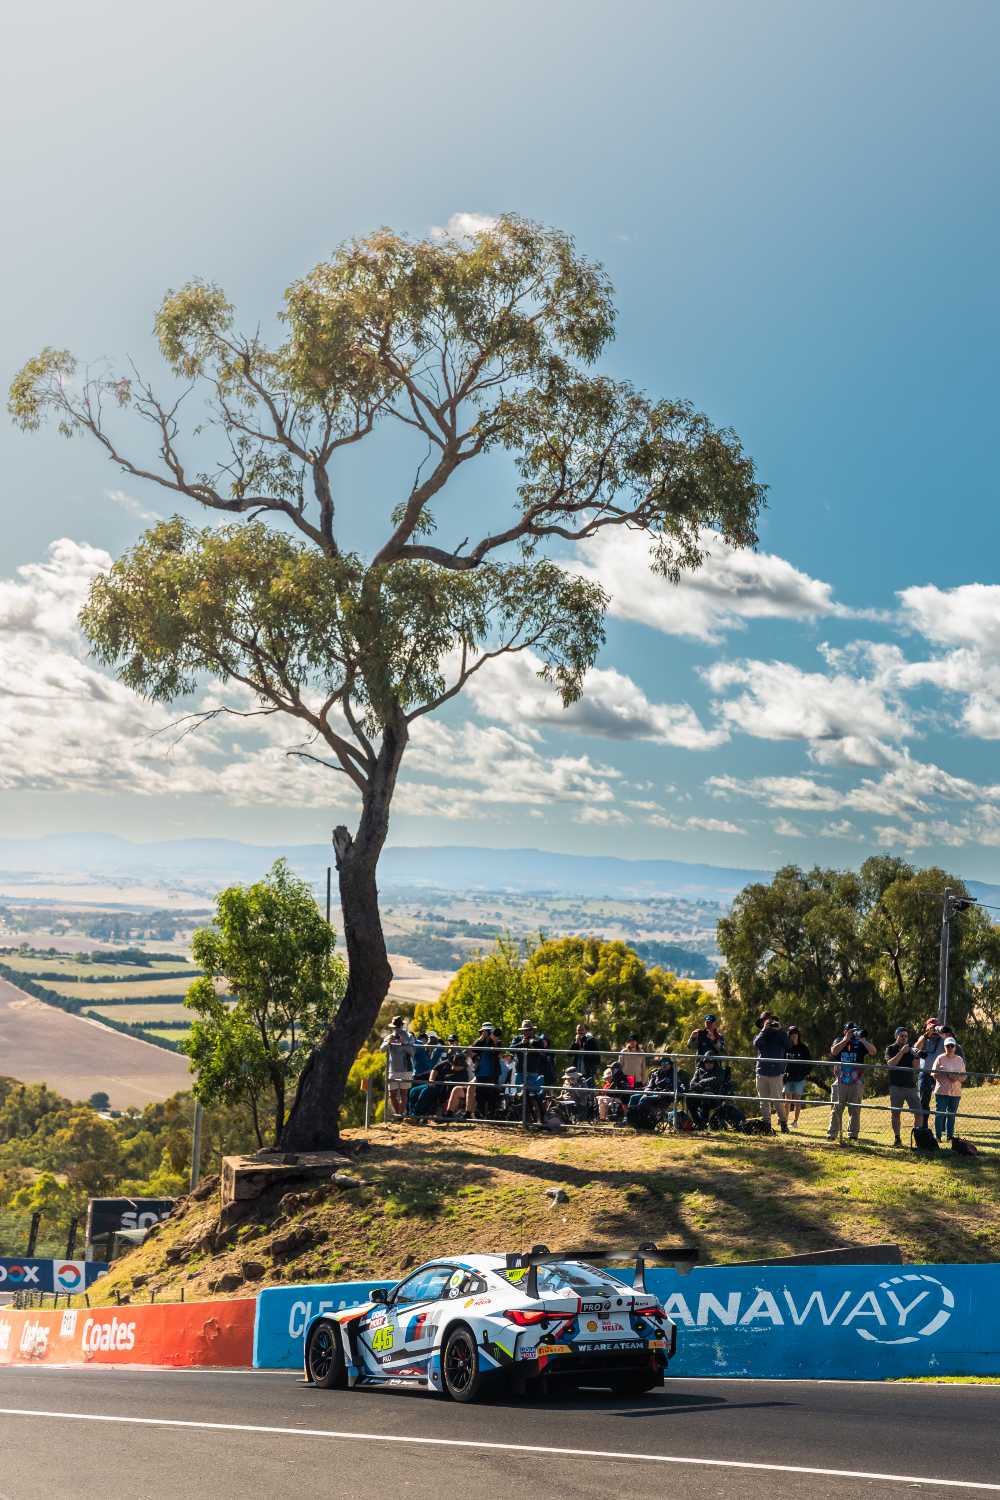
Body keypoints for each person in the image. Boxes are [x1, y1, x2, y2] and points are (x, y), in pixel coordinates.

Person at [827, 1021, 876, 1142]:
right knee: (836, 1108)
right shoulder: (839, 1040)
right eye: (851, 1031)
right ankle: (832, 1133)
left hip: (856, 1081)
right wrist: (845, 1039)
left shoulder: (860, 1043)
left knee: (855, 1109)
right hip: (840, 1080)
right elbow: (834, 1051)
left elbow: (873, 1052)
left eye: (855, 1031)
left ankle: (853, 1135)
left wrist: (863, 1040)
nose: (854, 1033)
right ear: (845, 1031)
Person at [914, 1017, 966, 1126]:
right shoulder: (923, 1039)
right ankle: (923, 1126)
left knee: (943, 1101)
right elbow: (915, 1048)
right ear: (926, 1028)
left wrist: (944, 1035)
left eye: (935, 1028)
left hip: (940, 1074)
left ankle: (941, 1127)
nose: (934, 1031)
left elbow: (954, 1046)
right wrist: (926, 1035)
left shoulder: (943, 1040)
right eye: (931, 1028)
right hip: (925, 1074)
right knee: (923, 1101)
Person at [884, 1025, 921, 1147]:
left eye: (906, 1036)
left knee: (919, 1113)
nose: (904, 1038)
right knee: (896, 1113)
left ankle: (917, 1139)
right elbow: (890, 1064)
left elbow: (916, 1068)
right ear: (896, 1036)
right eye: (901, 1036)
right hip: (896, 1086)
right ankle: (897, 1138)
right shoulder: (890, 1049)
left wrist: (917, 1055)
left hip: (910, 1086)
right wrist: (901, 1052)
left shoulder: (911, 1050)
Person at [753, 1015, 789, 1133]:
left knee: (778, 1100)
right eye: (765, 1021)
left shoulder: (780, 1034)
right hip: (762, 1071)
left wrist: (780, 1030)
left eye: (770, 1021)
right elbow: (757, 1043)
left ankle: (783, 1123)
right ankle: (766, 1124)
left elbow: (789, 1045)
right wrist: (764, 1030)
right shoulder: (760, 1034)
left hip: (776, 1073)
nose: (769, 1023)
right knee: (763, 1101)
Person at [626, 1056, 678, 1130]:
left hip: (663, 1095)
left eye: (666, 1063)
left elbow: (672, 1087)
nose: (664, 1065)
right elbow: (650, 1086)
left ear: (670, 1064)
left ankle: (642, 1121)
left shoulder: (673, 1074)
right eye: (662, 1063)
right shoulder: (657, 1073)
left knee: (644, 1099)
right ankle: (630, 1120)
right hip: (653, 1093)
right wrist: (646, 1092)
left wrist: (661, 1092)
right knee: (634, 1097)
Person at [932, 1035, 967, 1142]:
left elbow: (964, 1077)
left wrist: (955, 1077)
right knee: (940, 1114)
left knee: (951, 1115)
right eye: (948, 1046)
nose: (950, 1048)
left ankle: (950, 1136)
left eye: (952, 1046)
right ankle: (938, 1136)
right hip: (942, 1091)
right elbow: (933, 1074)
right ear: (944, 1047)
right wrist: (942, 1073)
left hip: (955, 1092)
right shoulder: (940, 1058)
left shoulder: (959, 1060)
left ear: (955, 1047)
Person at [379, 1015, 415, 1118]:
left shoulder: (409, 1036)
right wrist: (388, 1042)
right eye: (395, 1027)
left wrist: (404, 1043)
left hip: (406, 1069)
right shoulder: (389, 1037)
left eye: (398, 1026)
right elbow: (381, 1049)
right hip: (392, 1070)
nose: (397, 1029)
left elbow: (412, 1052)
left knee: (404, 1094)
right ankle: (399, 1115)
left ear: (402, 1026)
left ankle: (400, 1116)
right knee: (392, 1095)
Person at [469, 1022, 502, 1117]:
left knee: (492, 1095)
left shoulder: (497, 1041)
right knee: (480, 1095)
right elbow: (473, 1049)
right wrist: (481, 1038)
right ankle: (480, 1115)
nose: (488, 1033)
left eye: (489, 1031)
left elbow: (497, 1052)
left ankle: (492, 1115)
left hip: (493, 1073)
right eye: (485, 1031)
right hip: (481, 1073)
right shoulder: (479, 1042)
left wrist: (493, 1039)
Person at [783, 1025, 811, 1127]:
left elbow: (809, 1063)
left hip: (799, 1078)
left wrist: (806, 1074)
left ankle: (795, 1121)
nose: (794, 1035)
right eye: (791, 1034)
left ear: (798, 1035)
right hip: (788, 1078)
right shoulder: (786, 1047)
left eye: (795, 1033)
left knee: (797, 1101)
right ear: (789, 1035)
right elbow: (782, 1061)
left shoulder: (804, 1048)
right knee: (787, 1100)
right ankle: (784, 1121)